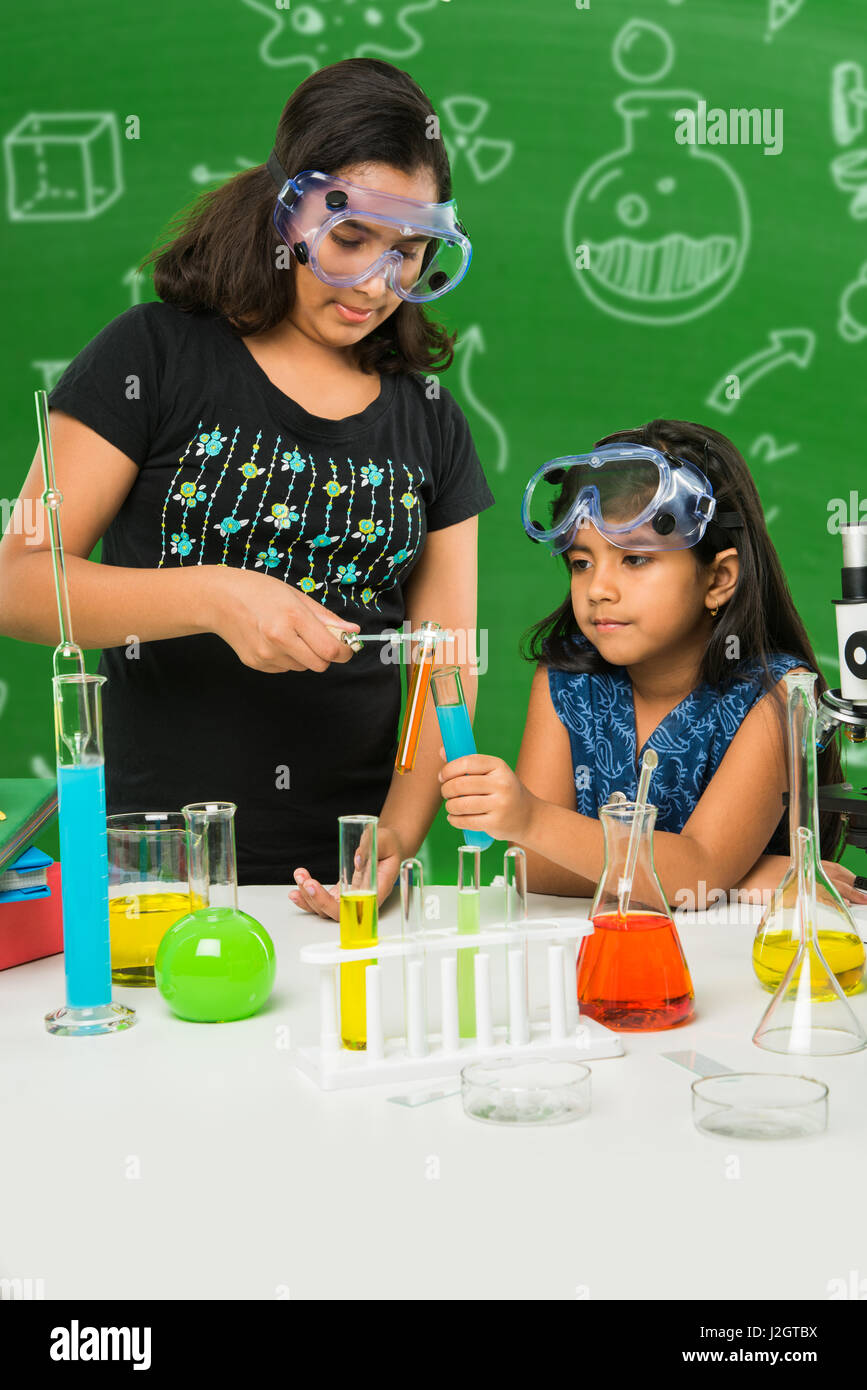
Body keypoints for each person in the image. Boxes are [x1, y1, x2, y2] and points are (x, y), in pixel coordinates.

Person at [0, 58, 494, 914]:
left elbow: (442, 667)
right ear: (289, 215)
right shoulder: (152, 357)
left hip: (345, 882)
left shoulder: (429, 417)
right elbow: (15, 584)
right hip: (156, 879)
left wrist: (395, 841)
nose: (378, 284)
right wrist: (216, 597)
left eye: (408, 253)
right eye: (351, 241)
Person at [437, 419, 867, 908]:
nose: (598, 588)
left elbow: (697, 869)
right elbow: (533, 867)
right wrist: (739, 879)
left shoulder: (777, 699)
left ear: (719, 579)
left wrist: (533, 820)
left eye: (635, 559)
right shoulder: (567, 677)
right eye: (582, 562)